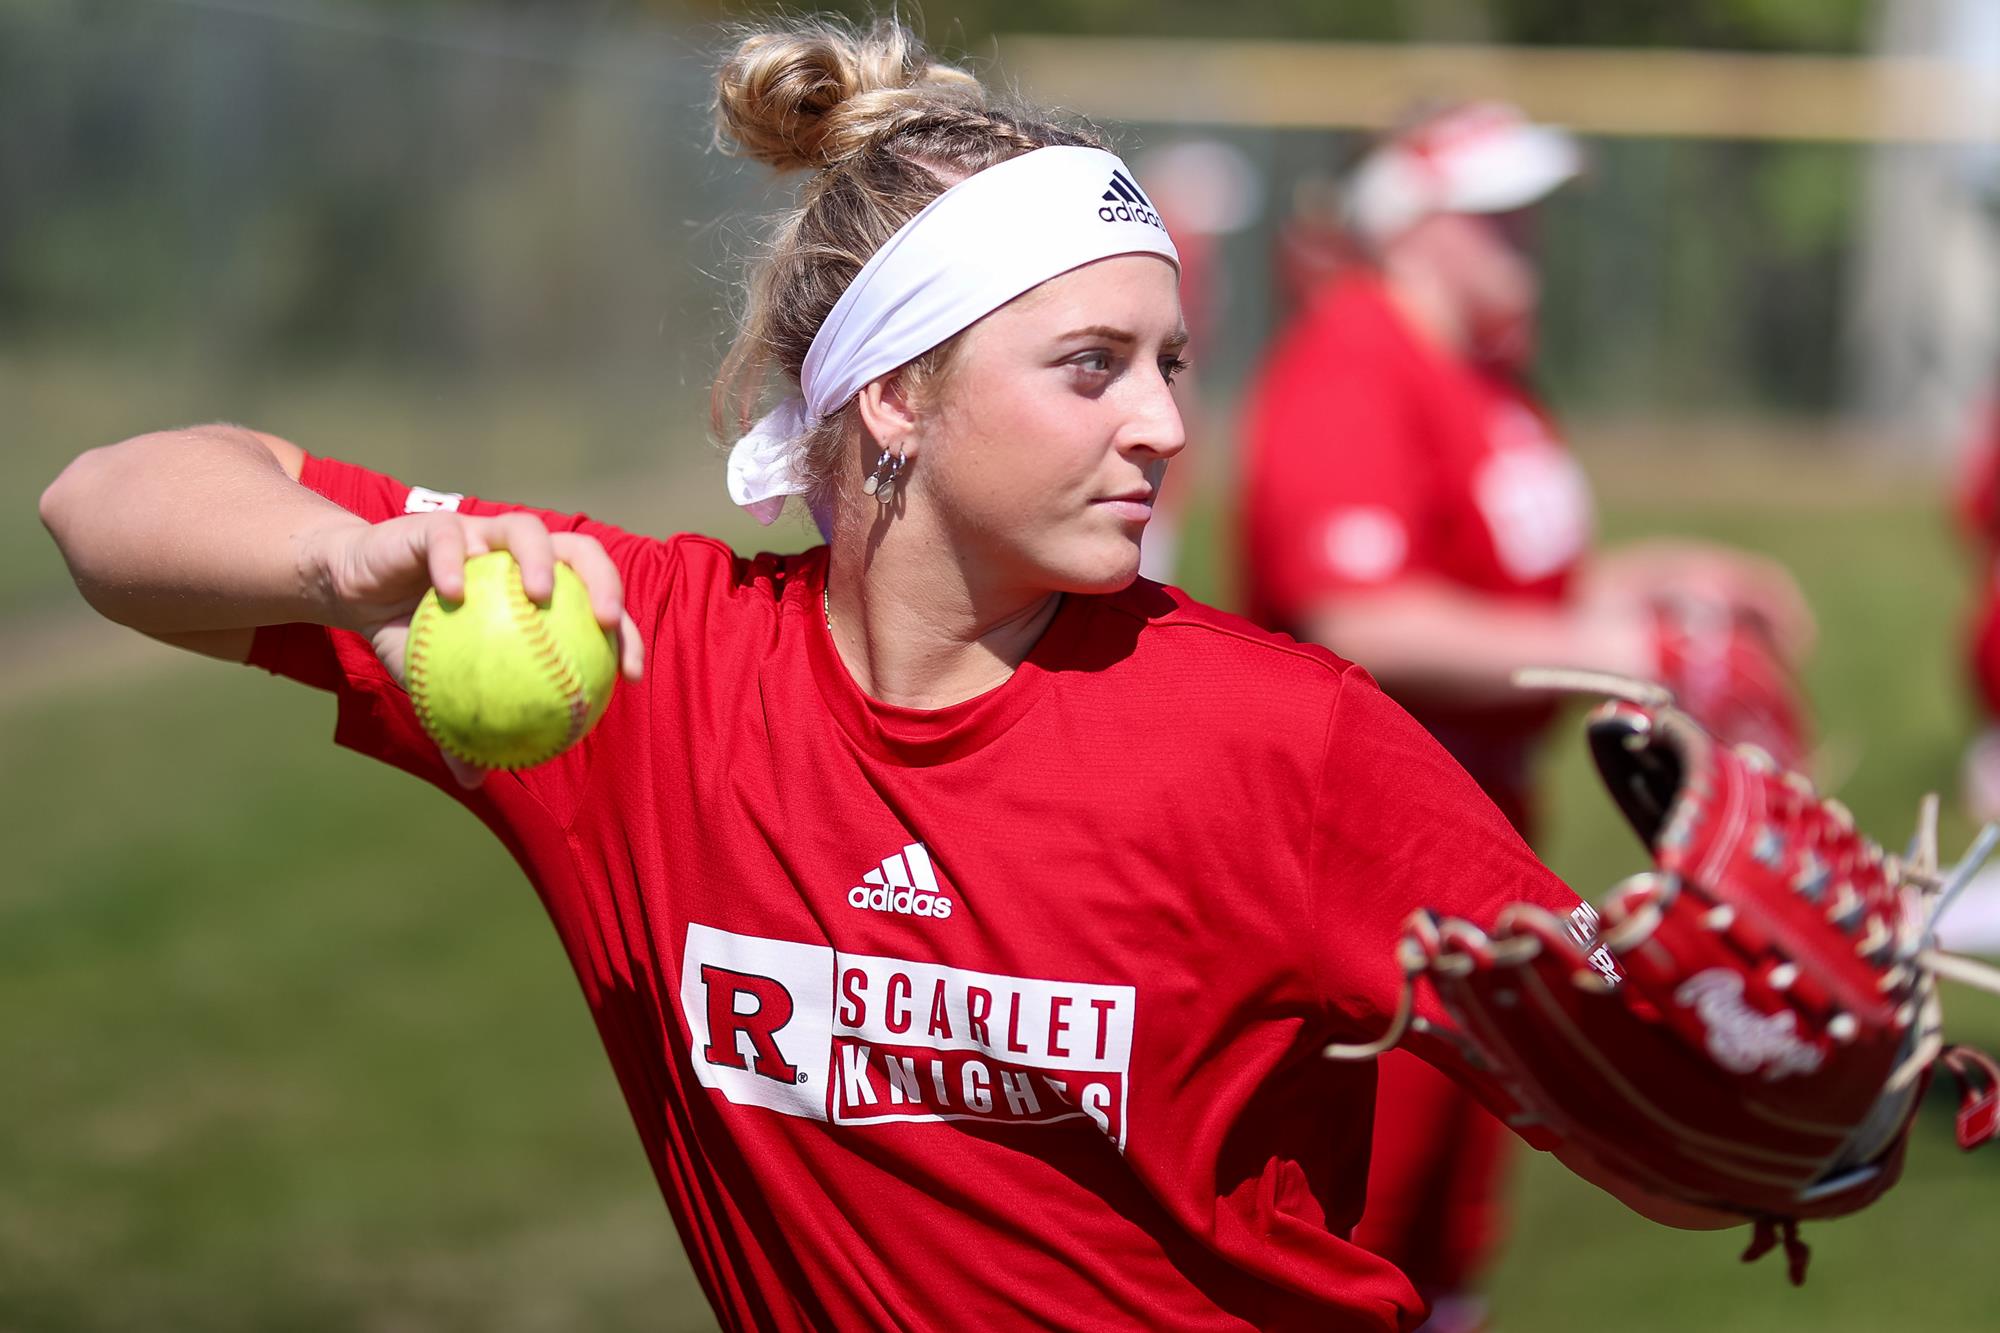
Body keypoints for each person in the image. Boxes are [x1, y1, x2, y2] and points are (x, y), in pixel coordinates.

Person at [45, 23, 1759, 1332]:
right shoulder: (645, 662)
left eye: (1170, 362)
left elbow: (1669, 1132)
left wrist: (1796, 1099)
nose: (1165, 422)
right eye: (1091, 365)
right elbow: (106, 500)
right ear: (893, 394)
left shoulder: (1282, 735)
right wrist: (350, 565)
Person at [1239, 103, 1814, 1330]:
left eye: (1527, 212)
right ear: (1406, 225)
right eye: (1491, 214)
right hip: (1358, 868)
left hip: (1479, 840)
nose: (1524, 237)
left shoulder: (1488, 373)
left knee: (1447, 1246)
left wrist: (1669, 582)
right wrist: (1633, 654)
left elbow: (1513, 594)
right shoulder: (1355, 359)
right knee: (1346, 1246)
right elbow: (1360, 615)